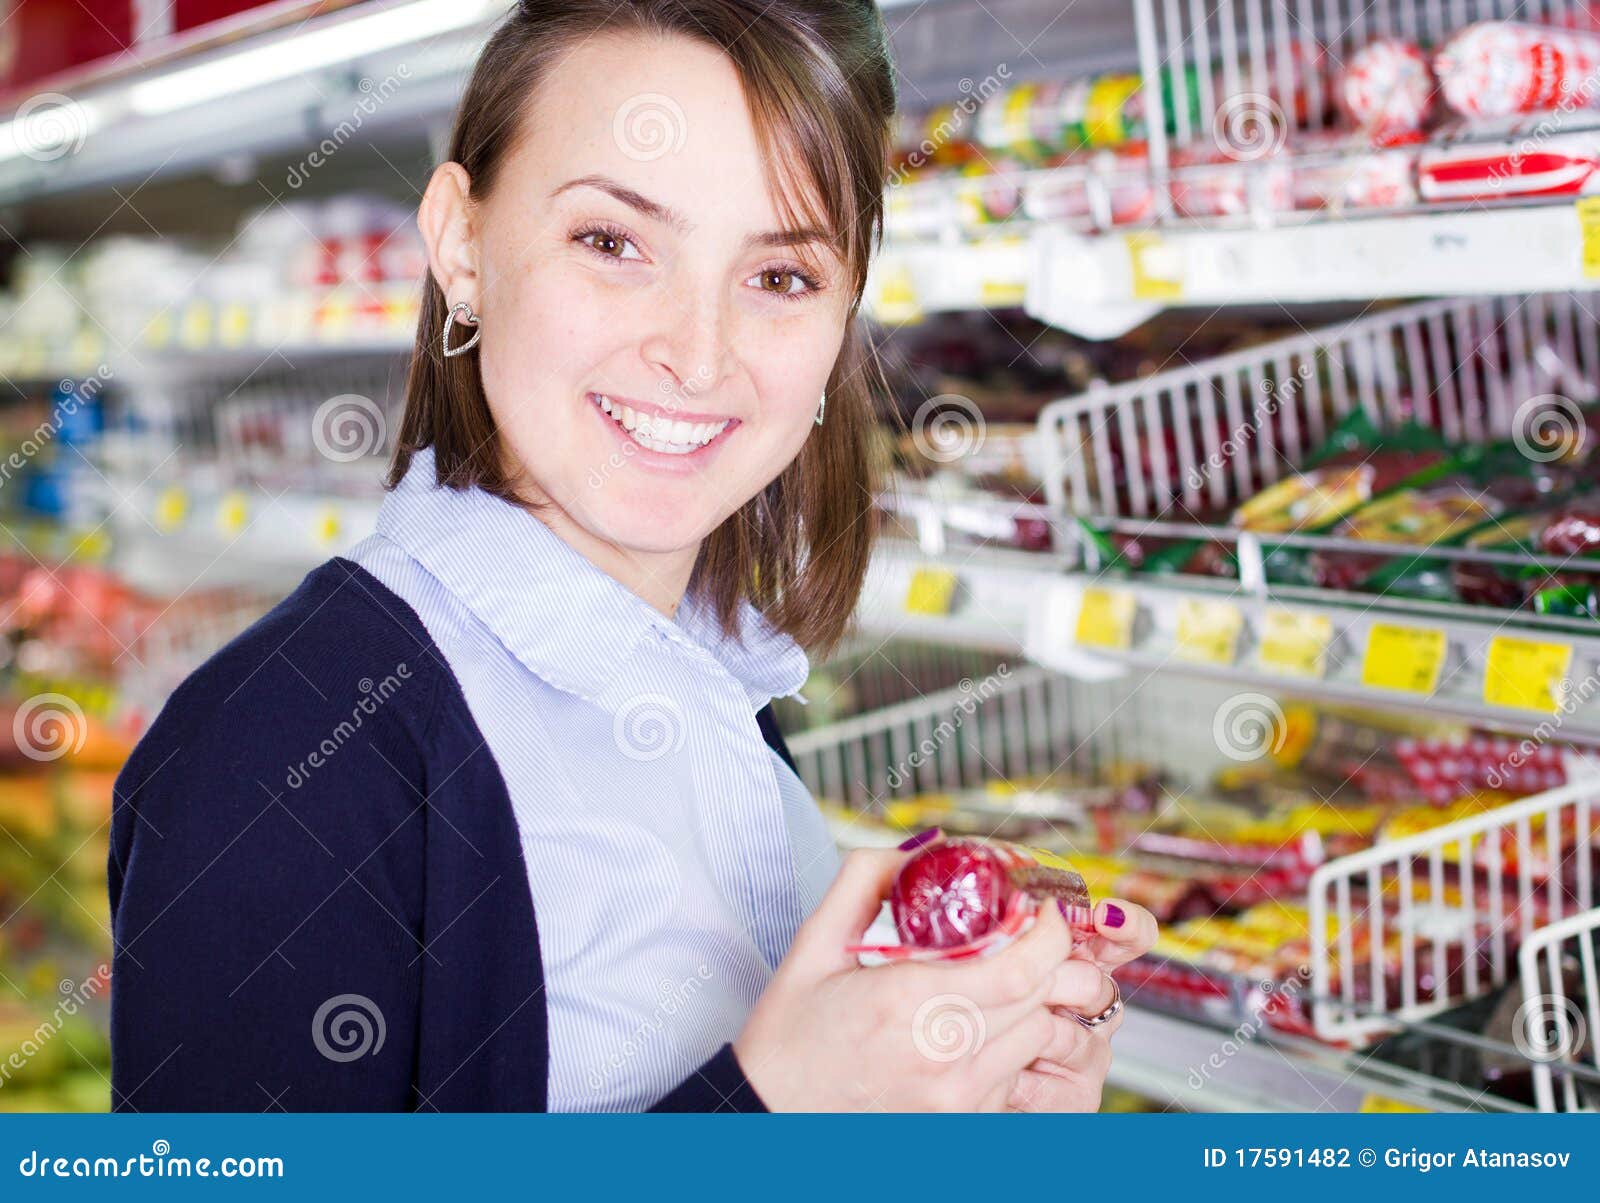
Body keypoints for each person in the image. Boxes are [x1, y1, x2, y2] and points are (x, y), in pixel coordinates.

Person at [108, 0, 1156, 1113]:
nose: (697, 357)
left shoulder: (720, 687)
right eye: (612, 243)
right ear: (462, 246)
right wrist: (778, 1112)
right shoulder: (273, 758)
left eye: (781, 276)